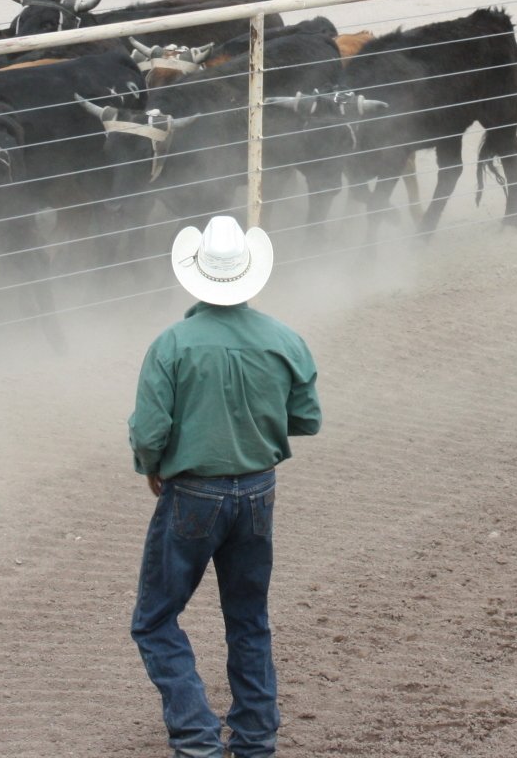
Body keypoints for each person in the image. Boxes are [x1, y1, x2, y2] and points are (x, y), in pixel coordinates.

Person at [129, 215, 322, 758]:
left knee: (155, 620)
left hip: (193, 492)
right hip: (258, 490)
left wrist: (152, 465)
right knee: (248, 617)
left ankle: (196, 737)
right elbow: (306, 419)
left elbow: (149, 432)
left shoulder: (172, 344)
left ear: (196, 274)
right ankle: (256, 738)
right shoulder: (285, 339)